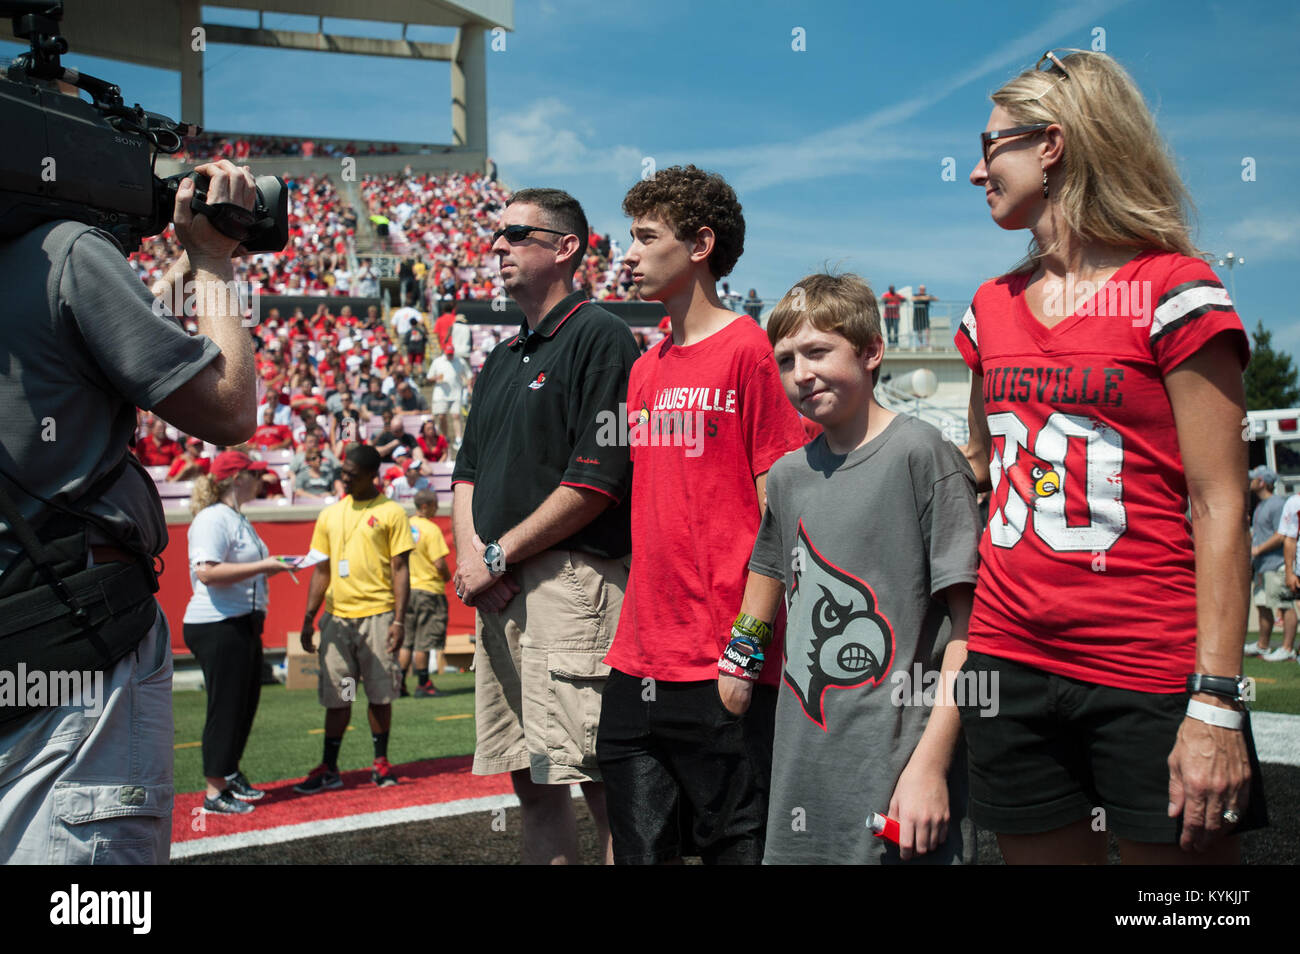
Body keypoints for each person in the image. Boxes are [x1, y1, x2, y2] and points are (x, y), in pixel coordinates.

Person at [958, 49, 1264, 863]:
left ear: (1051, 145)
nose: (975, 169)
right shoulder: (988, 306)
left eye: (991, 147)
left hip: (1149, 665)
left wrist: (1218, 703)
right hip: (1009, 657)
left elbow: (1219, 501)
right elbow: (981, 464)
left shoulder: (1177, 289)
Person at [0, 158, 258, 863]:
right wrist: (212, 262)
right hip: (69, 635)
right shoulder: (65, 251)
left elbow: (91, 338)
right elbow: (229, 407)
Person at [726, 274, 979, 863]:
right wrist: (740, 655)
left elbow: (972, 635)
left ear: (871, 351)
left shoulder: (924, 455)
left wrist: (931, 766)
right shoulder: (787, 476)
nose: (800, 373)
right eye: (786, 360)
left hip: (899, 764)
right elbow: (767, 575)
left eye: (818, 352)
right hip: (803, 766)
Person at [597, 165, 807, 864]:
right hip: (637, 663)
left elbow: (782, 510)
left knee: (734, 851)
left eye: (645, 236)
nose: (626, 253)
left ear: (699, 245)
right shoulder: (643, 367)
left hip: (725, 662)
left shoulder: (752, 350)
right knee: (639, 851)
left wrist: (746, 647)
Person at [452, 187, 639, 864]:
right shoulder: (501, 358)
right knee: (533, 785)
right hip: (499, 587)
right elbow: (465, 476)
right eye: (496, 235)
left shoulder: (603, 336)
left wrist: (495, 559)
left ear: (565, 249)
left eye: (515, 234)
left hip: (569, 583)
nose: (497, 246)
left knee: (599, 782)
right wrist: (477, 564)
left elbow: (595, 483)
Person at [296, 445, 414, 793]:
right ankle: (330, 768)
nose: (343, 478)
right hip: (337, 619)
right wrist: (308, 618)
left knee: (379, 695)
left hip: (378, 617)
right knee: (339, 696)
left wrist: (399, 620)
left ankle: (380, 762)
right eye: (343, 472)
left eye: (351, 475)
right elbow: (321, 570)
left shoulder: (392, 512)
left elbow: (400, 569)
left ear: (371, 475)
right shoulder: (329, 515)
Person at [183, 451, 293, 814]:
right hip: (217, 622)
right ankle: (214, 792)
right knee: (226, 706)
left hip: (239, 621)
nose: (261, 481)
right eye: (254, 474)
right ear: (235, 478)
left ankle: (228, 773)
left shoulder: (234, 517)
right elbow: (207, 572)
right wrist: (267, 565)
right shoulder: (213, 518)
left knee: (244, 704)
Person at [400, 490, 452, 697]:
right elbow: (439, 563)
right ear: (425, 506)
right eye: (434, 505)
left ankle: (399, 684)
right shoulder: (431, 530)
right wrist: (448, 577)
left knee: (406, 641)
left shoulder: (405, 527)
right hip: (428, 590)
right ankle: (423, 684)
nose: (437, 509)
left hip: (406, 590)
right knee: (423, 640)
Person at [1247, 467, 1296, 659]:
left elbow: (1282, 533)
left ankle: (1287, 648)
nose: (1249, 482)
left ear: (1262, 482)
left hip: (1276, 564)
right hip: (1262, 565)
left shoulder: (1276, 504)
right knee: (1262, 604)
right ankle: (1263, 645)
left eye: (1253, 479)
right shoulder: (1260, 505)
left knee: (1285, 605)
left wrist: (1258, 549)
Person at [428, 342, 471, 451]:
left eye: (451, 354)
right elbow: (429, 377)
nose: (450, 356)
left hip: (456, 392)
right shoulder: (437, 362)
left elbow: (468, 374)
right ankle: (445, 436)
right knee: (441, 416)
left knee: (456, 415)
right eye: (448, 354)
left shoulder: (459, 361)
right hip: (441, 393)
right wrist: (436, 378)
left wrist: (469, 386)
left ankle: (458, 438)